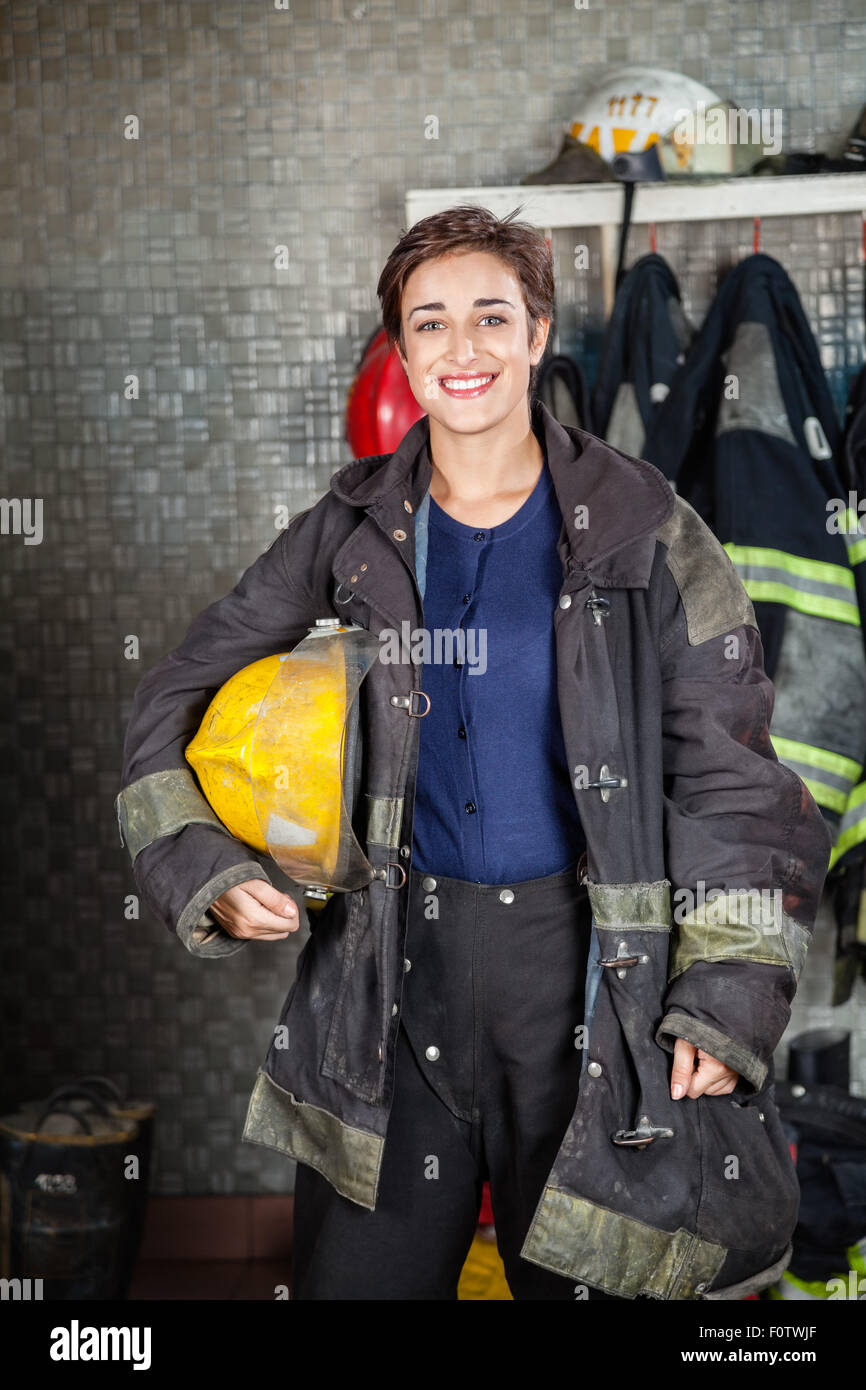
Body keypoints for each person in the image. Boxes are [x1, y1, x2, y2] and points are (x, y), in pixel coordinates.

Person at [117, 205, 832, 1301]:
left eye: (491, 317)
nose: (464, 350)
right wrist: (203, 865)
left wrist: (728, 991)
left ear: (538, 333)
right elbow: (176, 687)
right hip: (390, 996)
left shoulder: (650, 528)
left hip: (599, 1000)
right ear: (400, 350)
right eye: (431, 323)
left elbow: (732, 779)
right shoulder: (348, 530)